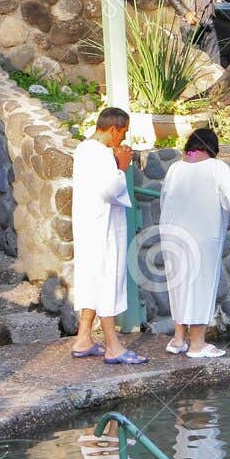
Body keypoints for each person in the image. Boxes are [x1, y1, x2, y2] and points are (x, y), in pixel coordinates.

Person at [158, 127, 230, 358]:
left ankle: (178, 340)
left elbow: (164, 199)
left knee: (179, 285)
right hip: (202, 237)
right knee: (201, 286)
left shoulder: (175, 168)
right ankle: (197, 345)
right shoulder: (216, 168)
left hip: (173, 235)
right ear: (212, 148)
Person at [68, 107, 143, 365]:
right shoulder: (100, 154)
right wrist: (121, 167)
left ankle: (83, 338)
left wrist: (115, 162)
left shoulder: (84, 149)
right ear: (113, 129)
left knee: (92, 280)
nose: (122, 139)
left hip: (88, 225)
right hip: (103, 229)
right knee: (107, 280)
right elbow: (111, 189)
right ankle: (113, 346)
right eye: (122, 133)